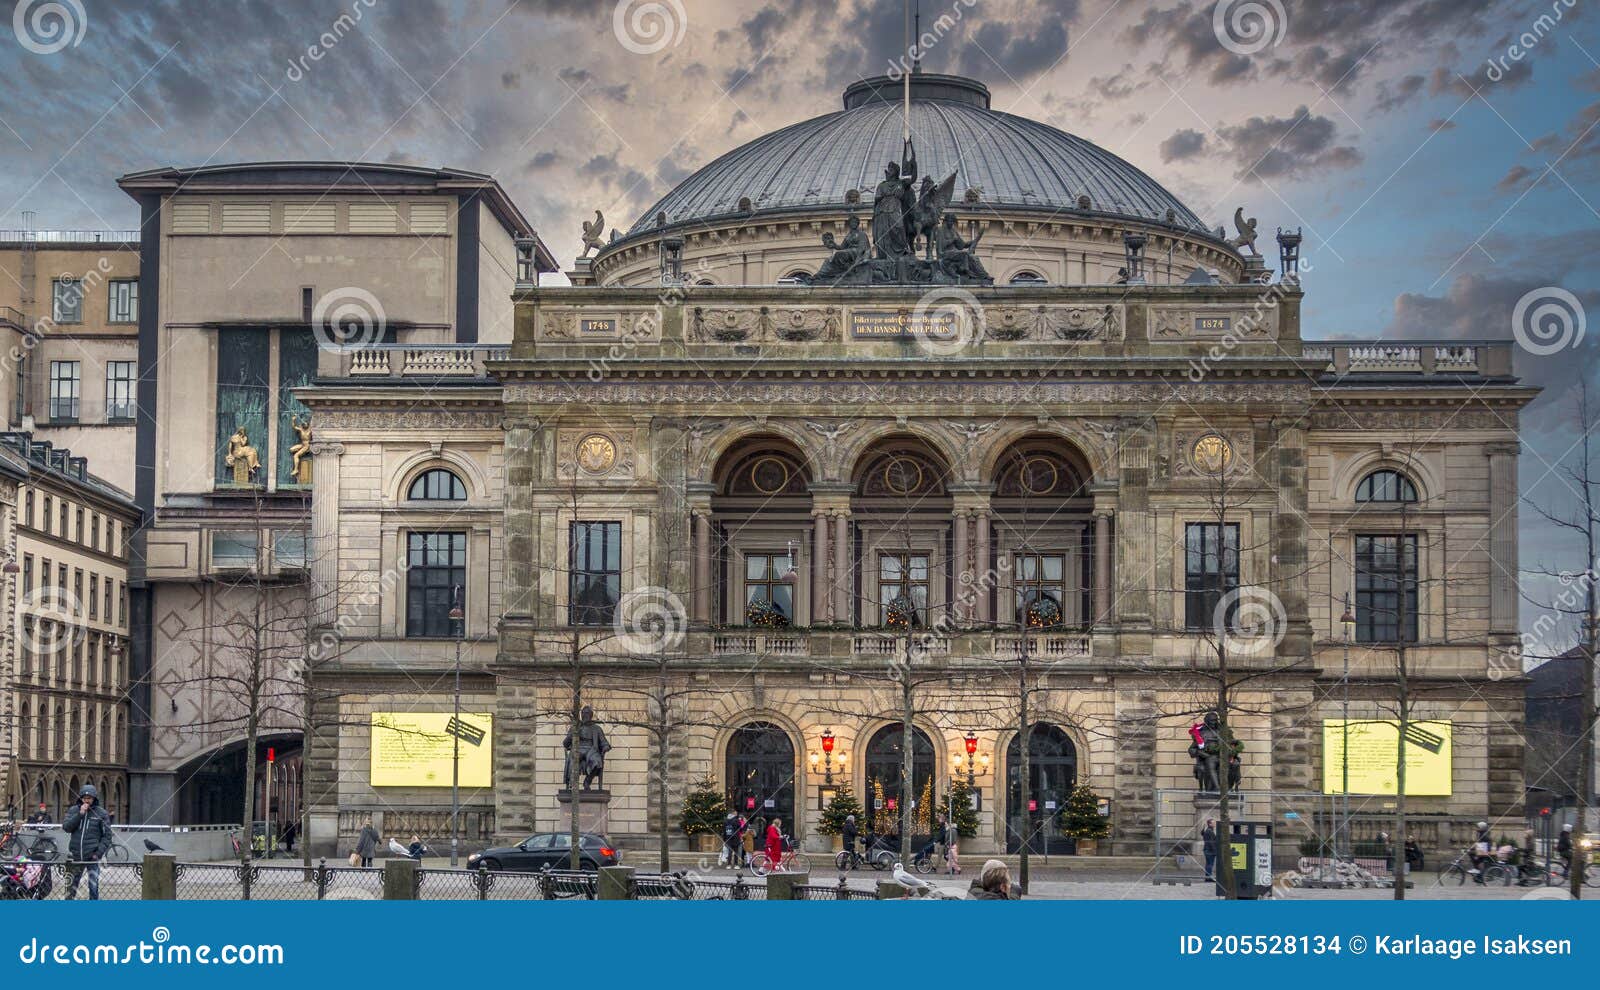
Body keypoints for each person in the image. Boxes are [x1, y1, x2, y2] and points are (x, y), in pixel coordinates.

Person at [62, 784, 113, 900]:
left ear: (94, 799)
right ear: (81, 798)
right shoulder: (74, 810)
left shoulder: (101, 813)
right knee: (71, 887)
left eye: (89, 798)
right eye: (85, 798)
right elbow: (66, 827)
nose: (87, 801)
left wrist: (98, 853)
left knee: (93, 886)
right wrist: (80, 814)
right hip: (76, 855)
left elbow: (107, 836)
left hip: (92, 856)